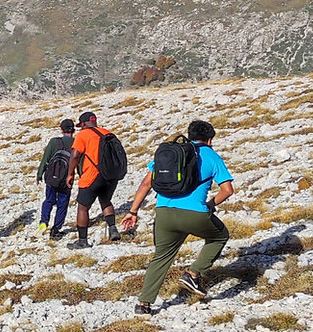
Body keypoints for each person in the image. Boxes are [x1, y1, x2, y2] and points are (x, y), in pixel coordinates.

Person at [121, 120, 233, 315]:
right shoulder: (211, 155)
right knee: (220, 236)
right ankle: (193, 273)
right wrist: (210, 205)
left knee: (161, 257)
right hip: (195, 214)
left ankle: (143, 304)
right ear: (210, 139)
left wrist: (133, 212)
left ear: (189, 135)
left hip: (164, 213)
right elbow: (227, 190)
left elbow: (146, 184)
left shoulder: (171, 153)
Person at [65, 111, 122, 248]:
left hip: (92, 175)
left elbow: (74, 155)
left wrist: (70, 174)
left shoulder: (83, 135)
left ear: (84, 123)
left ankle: (82, 241)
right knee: (105, 200)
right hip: (110, 176)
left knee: (83, 207)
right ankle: (113, 229)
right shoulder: (107, 132)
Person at [36, 118, 75, 239]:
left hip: (52, 177)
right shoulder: (77, 142)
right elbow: (78, 162)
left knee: (49, 199)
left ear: (61, 129)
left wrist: (39, 174)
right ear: (73, 130)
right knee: (62, 203)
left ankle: (43, 222)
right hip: (66, 178)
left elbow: (45, 159)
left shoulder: (54, 142)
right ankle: (56, 229)